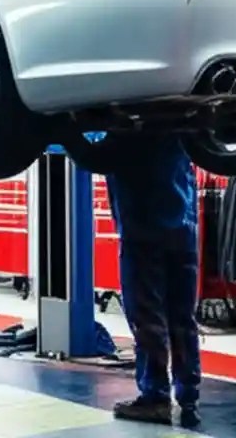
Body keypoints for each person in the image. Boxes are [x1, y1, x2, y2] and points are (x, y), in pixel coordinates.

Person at [65, 131, 202, 428]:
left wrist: (62, 131)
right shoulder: (181, 122)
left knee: (147, 316)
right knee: (183, 317)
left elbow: (96, 158)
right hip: (184, 228)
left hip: (143, 229)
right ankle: (189, 395)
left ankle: (155, 396)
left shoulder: (130, 121)